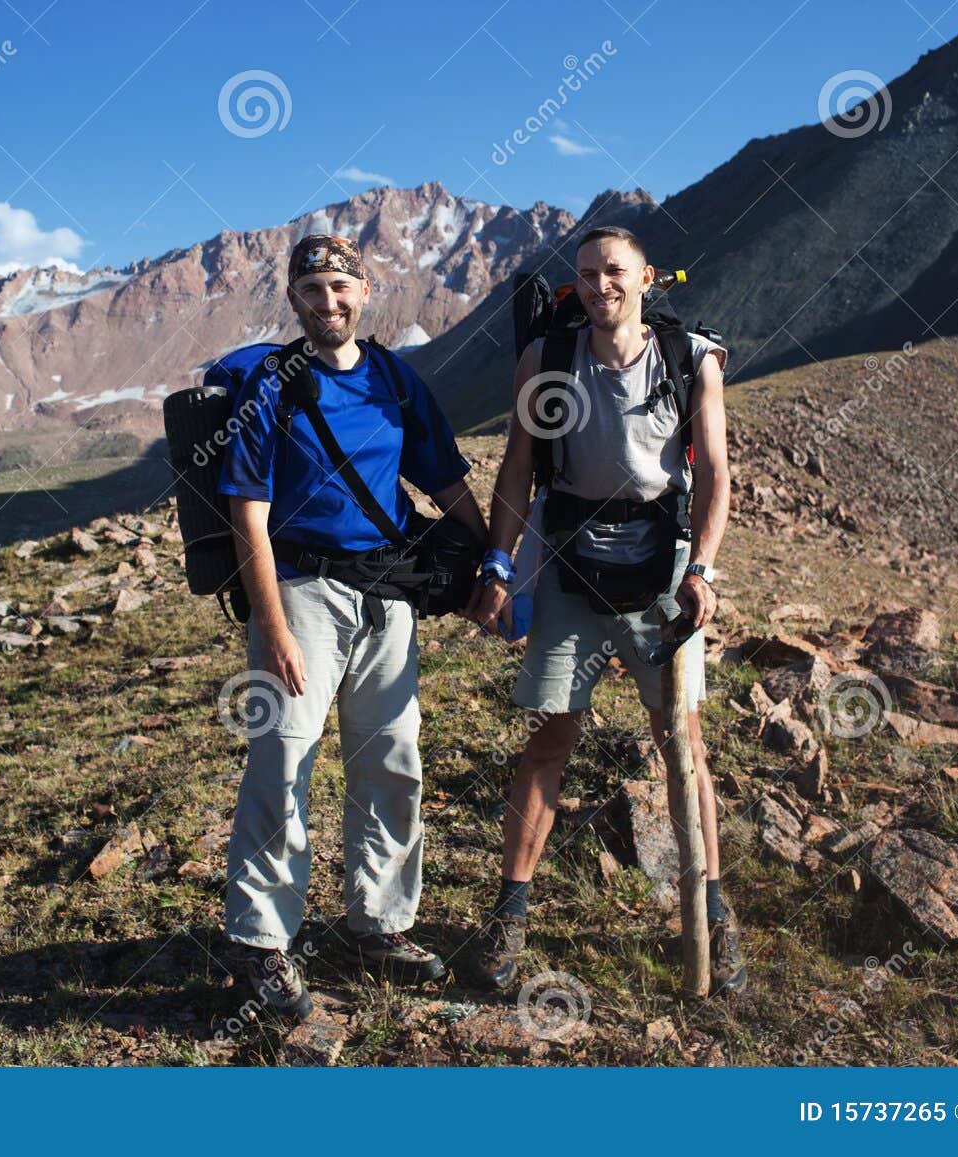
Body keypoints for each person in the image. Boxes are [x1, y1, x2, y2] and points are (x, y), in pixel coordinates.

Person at [215, 233, 487, 1021]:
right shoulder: (272, 386)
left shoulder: (396, 379)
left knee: (393, 756)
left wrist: (497, 557)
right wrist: (271, 626)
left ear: (366, 290)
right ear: (294, 301)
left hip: (387, 594)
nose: (329, 303)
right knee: (283, 758)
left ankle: (381, 923)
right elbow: (249, 518)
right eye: (312, 292)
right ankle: (260, 945)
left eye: (341, 287)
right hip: (300, 591)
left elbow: (445, 479)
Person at [469, 225, 746, 995]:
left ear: (648, 277)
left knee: (681, 738)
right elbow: (519, 465)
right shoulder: (546, 359)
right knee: (551, 736)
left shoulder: (693, 360)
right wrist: (499, 561)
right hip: (566, 562)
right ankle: (510, 914)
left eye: (615, 272)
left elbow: (717, 473)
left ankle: (712, 915)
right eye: (587, 275)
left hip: (662, 565)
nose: (601, 286)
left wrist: (704, 569)